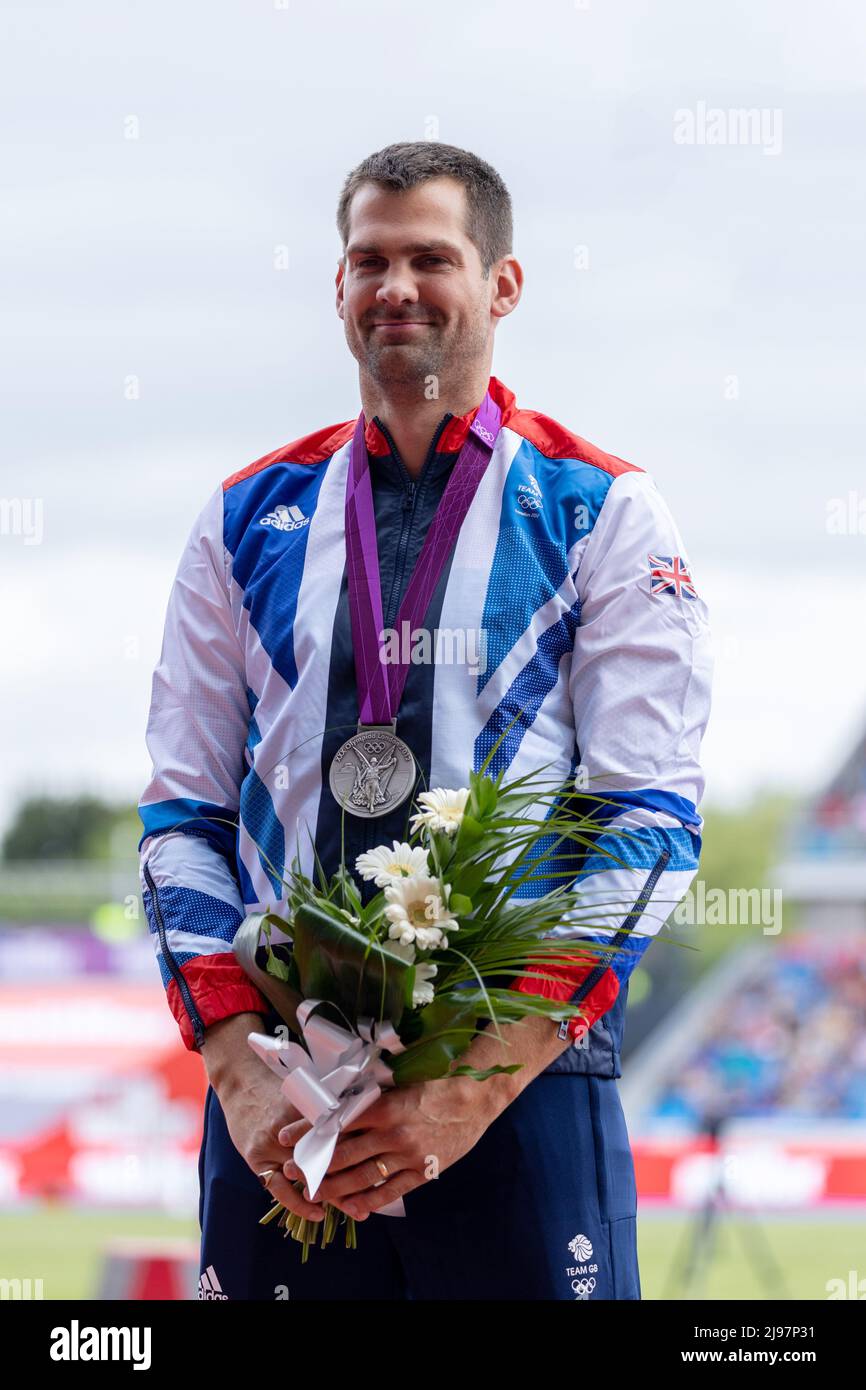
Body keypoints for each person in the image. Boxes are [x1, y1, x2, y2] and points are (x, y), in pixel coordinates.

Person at [138, 141, 713, 1300]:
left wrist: (474, 1085)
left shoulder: (599, 508)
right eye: (368, 260)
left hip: (520, 1084)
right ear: (338, 289)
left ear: (501, 284)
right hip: (284, 1091)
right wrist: (236, 1068)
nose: (395, 286)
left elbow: (646, 821)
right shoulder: (245, 516)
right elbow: (180, 816)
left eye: (429, 257)